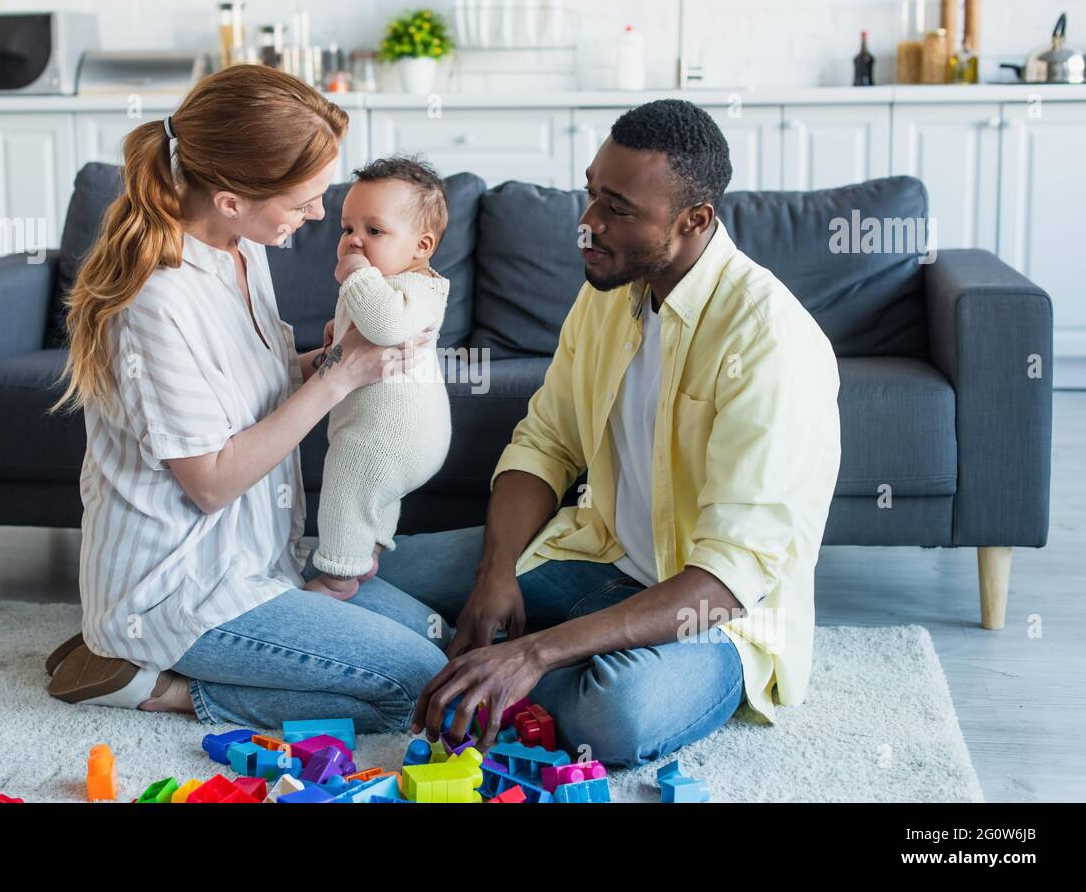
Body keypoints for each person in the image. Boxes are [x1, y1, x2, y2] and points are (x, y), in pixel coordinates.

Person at [378, 99, 843, 766]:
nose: (588, 225)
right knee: (364, 577)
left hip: (712, 619)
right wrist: (496, 570)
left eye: (618, 208)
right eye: (591, 191)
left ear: (694, 221)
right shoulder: (608, 290)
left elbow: (725, 579)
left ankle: (504, 661)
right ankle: (509, 658)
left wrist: (534, 650)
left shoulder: (770, 341)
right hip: (595, 554)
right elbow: (547, 441)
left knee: (617, 714)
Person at [43, 64, 447, 731]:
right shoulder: (156, 299)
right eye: (302, 201)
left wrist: (343, 361)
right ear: (230, 198)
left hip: (258, 563)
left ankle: (149, 660)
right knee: (414, 687)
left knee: (439, 642)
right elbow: (210, 480)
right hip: (178, 589)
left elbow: (244, 384)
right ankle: (157, 682)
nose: (320, 215)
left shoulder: (239, 244)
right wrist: (337, 378)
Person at [307, 156, 453, 599]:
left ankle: (337, 576)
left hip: (394, 436)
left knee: (349, 481)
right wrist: (339, 333)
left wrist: (354, 275)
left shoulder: (422, 288)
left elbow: (386, 325)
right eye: (347, 229)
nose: (354, 242)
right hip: (392, 434)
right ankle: (367, 552)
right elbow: (366, 325)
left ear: (421, 246)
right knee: (370, 495)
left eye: (374, 231)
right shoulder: (384, 282)